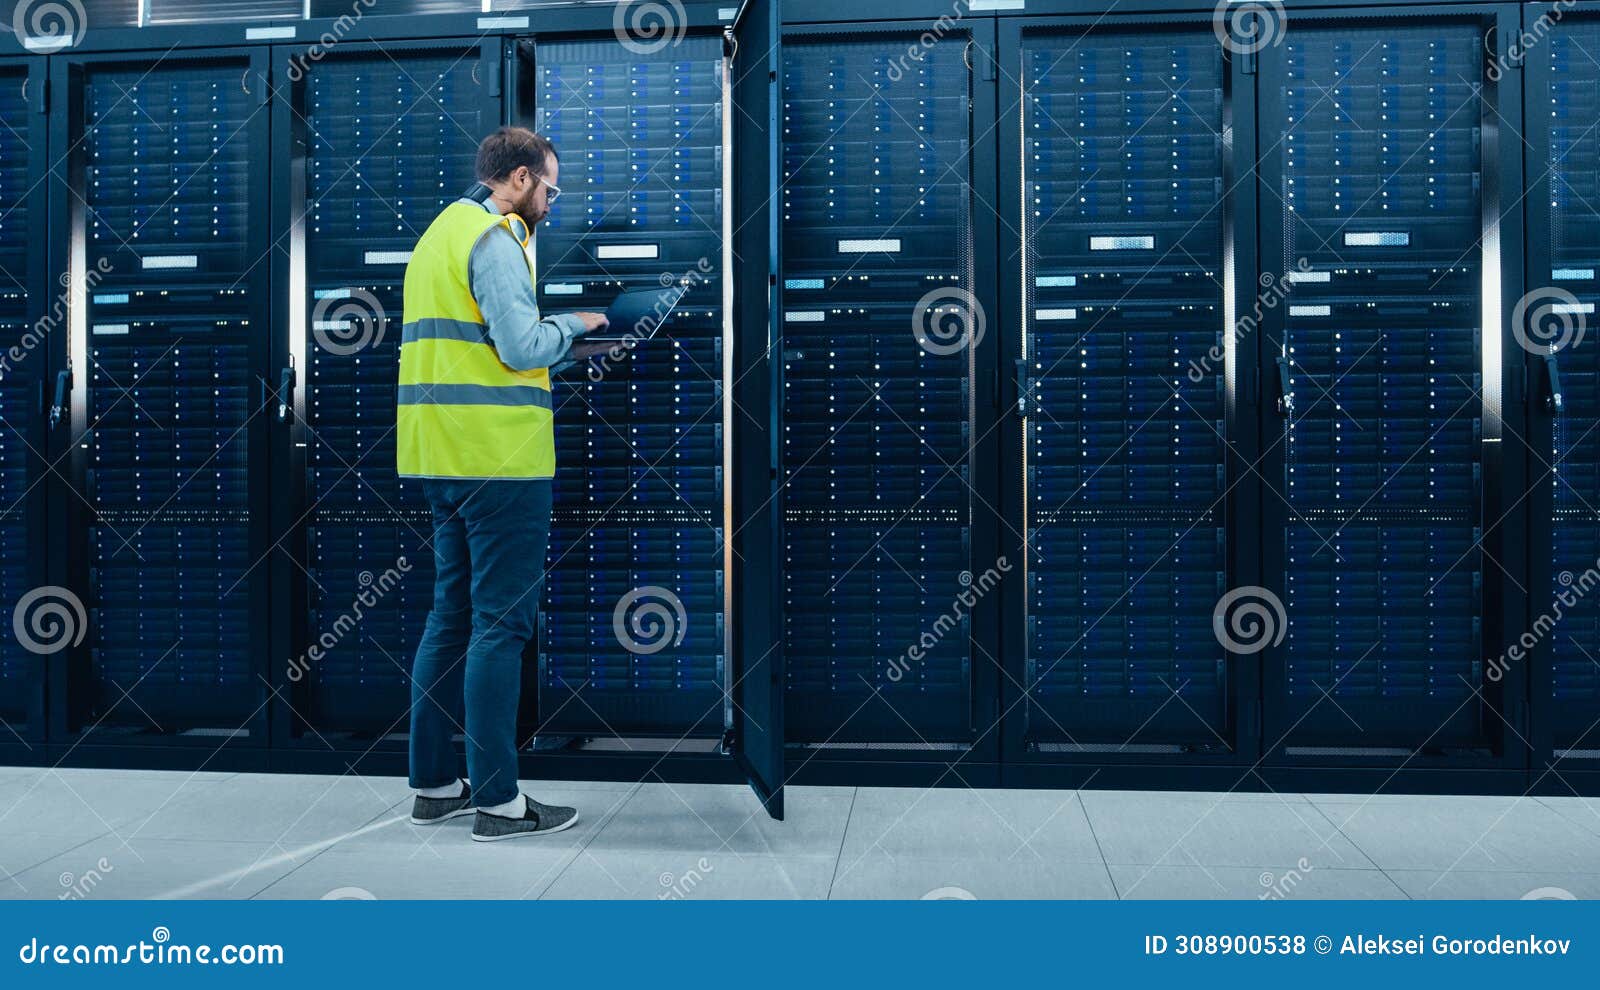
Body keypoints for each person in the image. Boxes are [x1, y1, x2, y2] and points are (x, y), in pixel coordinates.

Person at [397, 126, 607, 842]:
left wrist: (561, 345)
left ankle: (433, 787)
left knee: (450, 618)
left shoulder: (438, 234)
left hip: (438, 456)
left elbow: (479, 351)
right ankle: (500, 803)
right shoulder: (496, 237)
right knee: (500, 626)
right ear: (517, 179)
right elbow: (519, 347)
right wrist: (577, 324)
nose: (551, 200)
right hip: (499, 462)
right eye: (550, 186)